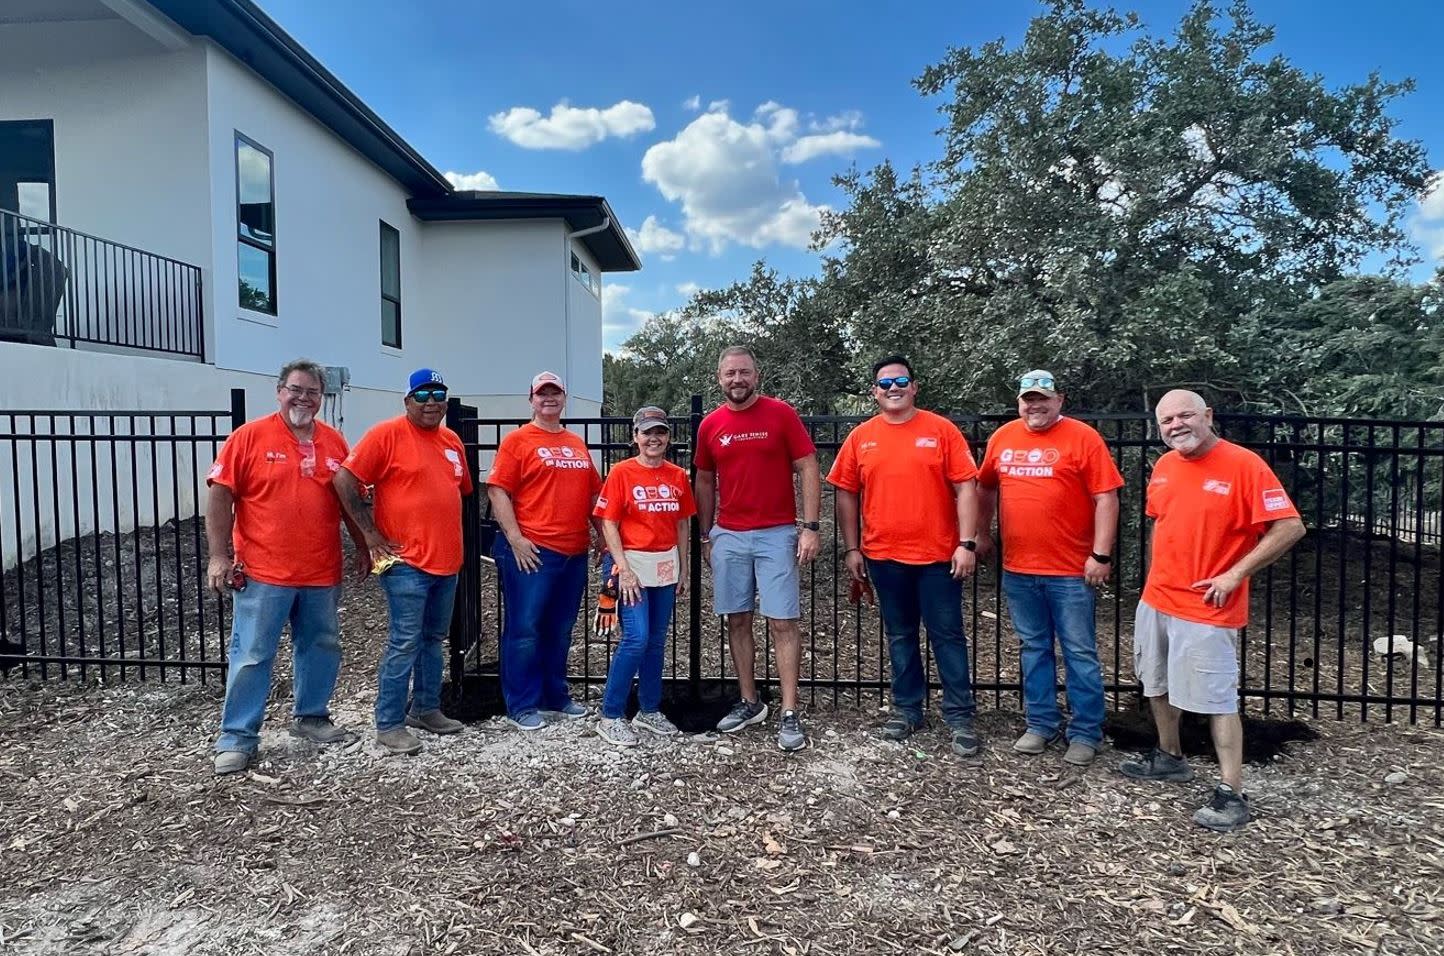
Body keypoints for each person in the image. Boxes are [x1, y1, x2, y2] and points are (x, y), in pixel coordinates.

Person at [1119, 389, 1305, 832]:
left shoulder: (1244, 465)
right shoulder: (1164, 467)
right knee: (1156, 682)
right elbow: (1161, 526)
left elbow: (1290, 526)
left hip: (1207, 605)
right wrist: (1150, 580)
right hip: (1159, 598)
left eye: (1185, 415)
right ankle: (1170, 756)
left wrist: (1233, 575)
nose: (1176, 425)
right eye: (1166, 420)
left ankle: (1231, 791)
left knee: (1217, 699)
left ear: (1208, 415)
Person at [207, 359, 368, 775]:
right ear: (279, 391)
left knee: (321, 647)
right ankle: (238, 738)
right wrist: (219, 556)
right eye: (296, 389)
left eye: (313, 391)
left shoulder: (334, 442)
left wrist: (364, 547)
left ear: (321, 397)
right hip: (263, 573)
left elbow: (348, 500)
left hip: (321, 571)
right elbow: (221, 496)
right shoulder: (248, 437)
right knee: (252, 654)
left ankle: (311, 718)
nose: (304, 398)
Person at [828, 356, 983, 756]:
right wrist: (852, 547)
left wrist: (967, 543)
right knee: (900, 636)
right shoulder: (862, 437)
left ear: (914, 387)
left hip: (938, 557)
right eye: (884, 383)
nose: (893, 388)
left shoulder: (941, 430)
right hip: (883, 556)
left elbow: (967, 486)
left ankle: (960, 715)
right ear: (874, 393)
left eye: (901, 381)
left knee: (947, 636)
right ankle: (907, 709)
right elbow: (845, 491)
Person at [976, 369, 1123, 767]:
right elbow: (985, 486)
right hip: (1019, 567)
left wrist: (1101, 554)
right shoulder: (1003, 438)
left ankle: (1085, 732)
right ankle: (1041, 723)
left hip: (1072, 570)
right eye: (1028, 399)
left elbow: (1106, 498)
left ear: (1060, 399)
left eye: (1042, 398)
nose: (1034, 405)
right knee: (1034, 648)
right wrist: (981, 533)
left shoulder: (1083, 438)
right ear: (1019, 403)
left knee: (1079, 651)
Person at [333, 368, 473, 756]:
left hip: (447, 562)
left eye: (438, 394)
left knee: (433, 640)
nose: (432, 402)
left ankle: (426, 708)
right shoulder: (386, 434)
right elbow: (344, 479)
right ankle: (389, 723)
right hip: (405, 562)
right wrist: (368, 534)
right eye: (423, 394)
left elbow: (458, 491)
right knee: (405, 641)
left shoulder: (452, 441)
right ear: (407, 400)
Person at [694, 345, 821, 752]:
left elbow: (808, 466)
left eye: (744, 372)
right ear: (719, 378)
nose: (737, 380)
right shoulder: (711, 425)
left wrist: (811, 527)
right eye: (730, 373)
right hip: (729, 535)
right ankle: (750, 702)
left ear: (757, 375)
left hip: (778, 533)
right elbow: (704, 480)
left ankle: (788, 710)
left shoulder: (780, 413)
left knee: (783, 622)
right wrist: (706, 535)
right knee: (737, 620)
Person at [487, 371, 602, 731]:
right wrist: (516, 539)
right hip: (534, 552)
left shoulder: (575, 443)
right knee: (524, 630)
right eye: (542, 393)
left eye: (555, 393)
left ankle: (555, 695)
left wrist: (601, 535)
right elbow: (497, 490)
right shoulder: (518, 440)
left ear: (564, 398)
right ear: (532, 399)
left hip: (573, 552)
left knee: (560, 628)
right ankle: (521, 703)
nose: (549, 399)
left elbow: (593, 494)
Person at [593, 405, 696, 747]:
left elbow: (682, 523)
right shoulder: (622, 473)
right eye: (647, 432)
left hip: (665, 564)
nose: (654, 439)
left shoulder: (678, 476)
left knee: (655, 640)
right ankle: (610, 715)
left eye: (660, 432)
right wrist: (621, 568)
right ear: (635, 437)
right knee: (635, 638)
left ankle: (649, 710)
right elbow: (608, 521)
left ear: (668, 437)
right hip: (631, 563)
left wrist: (683, 566)